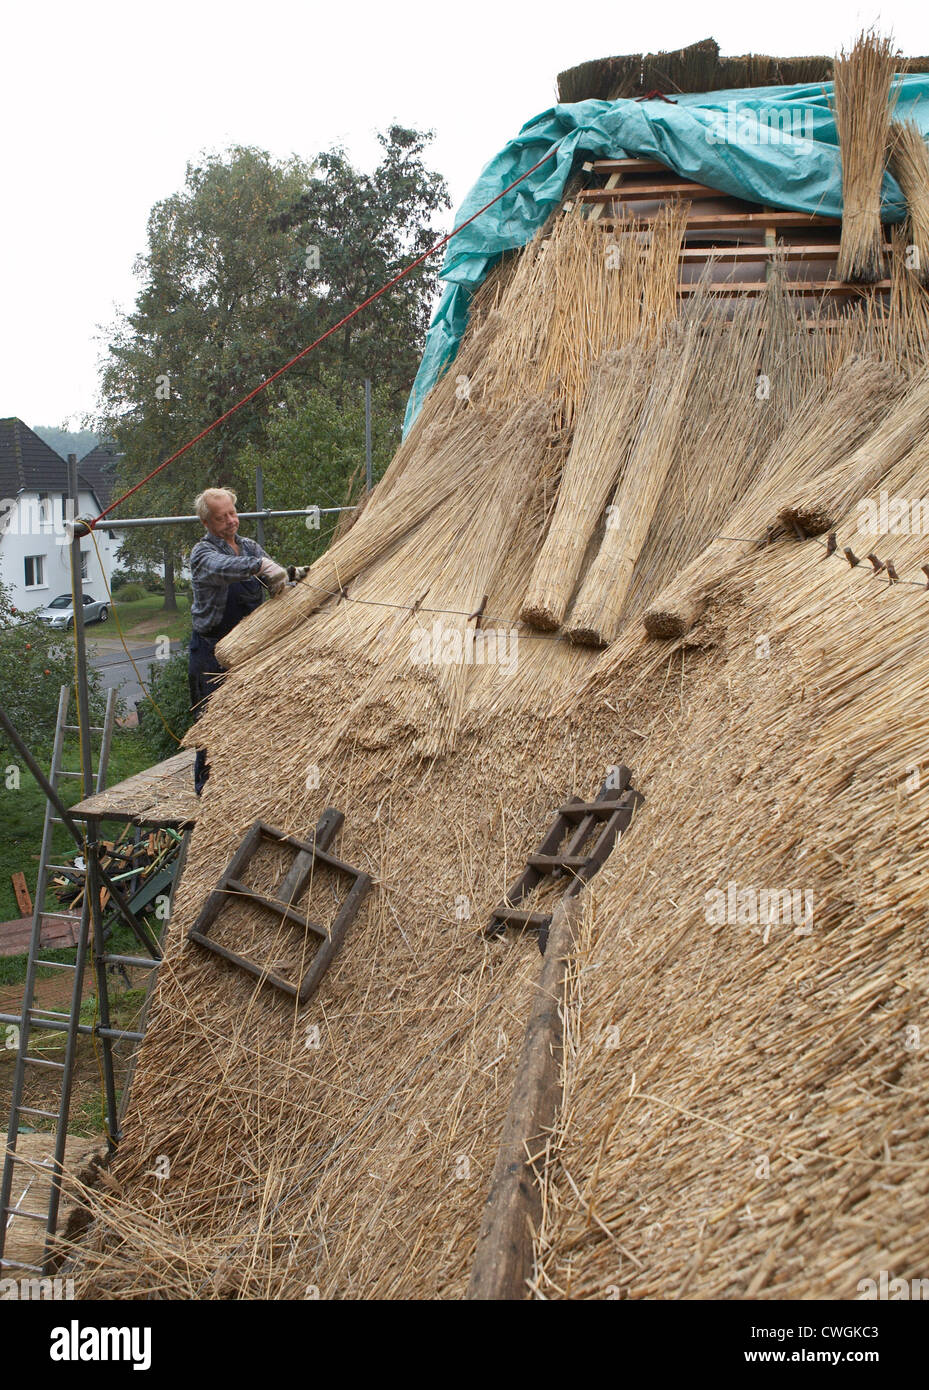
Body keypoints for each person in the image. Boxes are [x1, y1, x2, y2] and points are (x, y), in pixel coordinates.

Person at [188, 487, 287, 795]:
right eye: (222, 518)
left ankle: (243, 783)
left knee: (251, 714)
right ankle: (207, 790)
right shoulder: (202, 554)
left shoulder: (249, 546)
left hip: (250, 648)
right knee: (211, 721)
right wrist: (260, 566)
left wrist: (287, 578)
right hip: (211, 649)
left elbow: (271, 574)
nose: (231, 521)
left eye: (233, 513)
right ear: (206, 523)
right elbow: (224, 569)